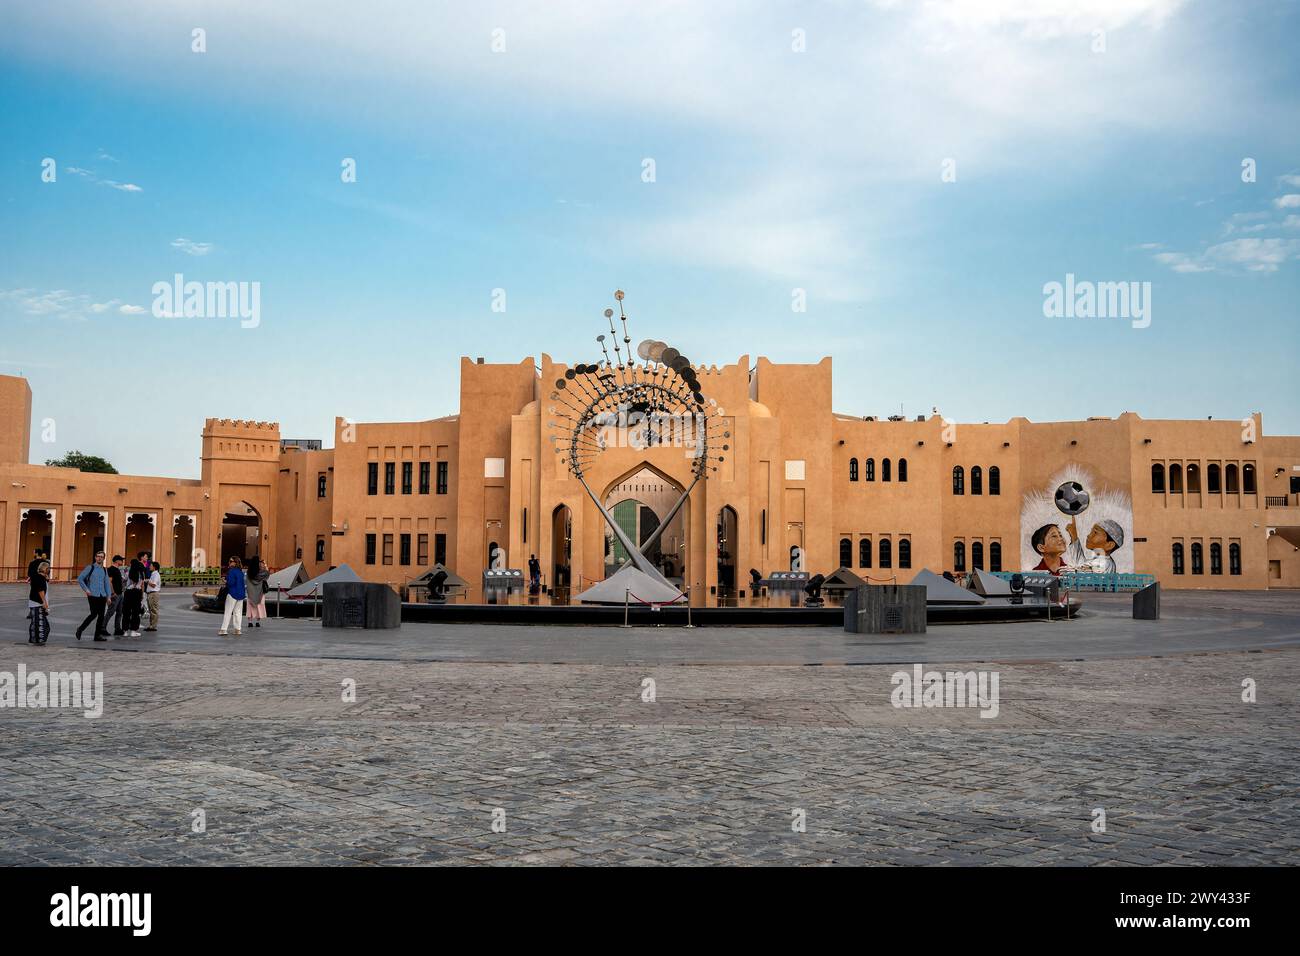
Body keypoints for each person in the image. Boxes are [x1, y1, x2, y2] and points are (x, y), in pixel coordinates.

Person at [75, 550, 112, 641]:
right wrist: (86, 590)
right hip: (92, 595)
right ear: (95, 557)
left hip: (102, 595)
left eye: (101, 557)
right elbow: (80, 579)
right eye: (98, 556)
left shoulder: (104, 570)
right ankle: (80, 629)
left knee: (101, 616)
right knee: (93, 614)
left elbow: (106, 583)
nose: (99, 558)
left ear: (104, 558)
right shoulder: (90, 568)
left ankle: (97, 635)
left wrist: (108, 596)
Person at [220, 556, 246, 636]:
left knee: (228, 612)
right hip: (240, 594)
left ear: (235, 562)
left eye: (231, 561)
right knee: (238, 613)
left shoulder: (231, 571)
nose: (229, 562)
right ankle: (237, 629)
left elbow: (230, 583)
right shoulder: (240, 572)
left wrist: (225, 581)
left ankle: (223, 630)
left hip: (232, 593)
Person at [121, 557, 146, 637]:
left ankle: (125, 631)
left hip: (128, 593)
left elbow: (123, 581)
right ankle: (133, 631)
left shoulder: (128, 572)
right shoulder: (141, 573)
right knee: (136, 612)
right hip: (137, 593)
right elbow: (142, 585)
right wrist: (142, 595)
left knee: (126, 612)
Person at [28, 559, 50, 645]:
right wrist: (44, 603)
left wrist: (46, 578)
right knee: (40, 624)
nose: (49, 570)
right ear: (45, 569)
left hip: (36, 603)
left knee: (37, 623)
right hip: (38, 603)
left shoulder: (38, 577)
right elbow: (40, 591)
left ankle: (34, 639)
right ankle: (38, 640)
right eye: (48, 568)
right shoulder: (39, 578)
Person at [244, 555, 269, 628]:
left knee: (250, 607)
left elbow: (246, 582)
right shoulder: (261, 572)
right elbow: (267, 574)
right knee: (259, 607)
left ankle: (250, 622)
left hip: (251, 592)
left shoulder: (249, 572)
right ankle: (257, 622)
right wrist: (265, 565)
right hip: (260, 592)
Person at [106, 555, 126, 636]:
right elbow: (109, 581)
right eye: (121, 560)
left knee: (120, 612)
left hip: (120, 593)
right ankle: (102, 628)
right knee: (110, 612)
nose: (122, 561)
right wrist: (112, 592)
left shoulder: (117, 570)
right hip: (115, 594)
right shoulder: (111, 569)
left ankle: (117, 629)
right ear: (117, 561)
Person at [143, 561, 163, 631]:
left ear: (154, 567)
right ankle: (151, 625)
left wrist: (147, 581)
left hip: (153, 593)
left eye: (150, 566)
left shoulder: (156, 574)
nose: (149, 567)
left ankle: (153, 626)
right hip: (151, 593)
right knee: (151, 609)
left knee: (154, 610)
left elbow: (153, 584)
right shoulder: (153, 574)